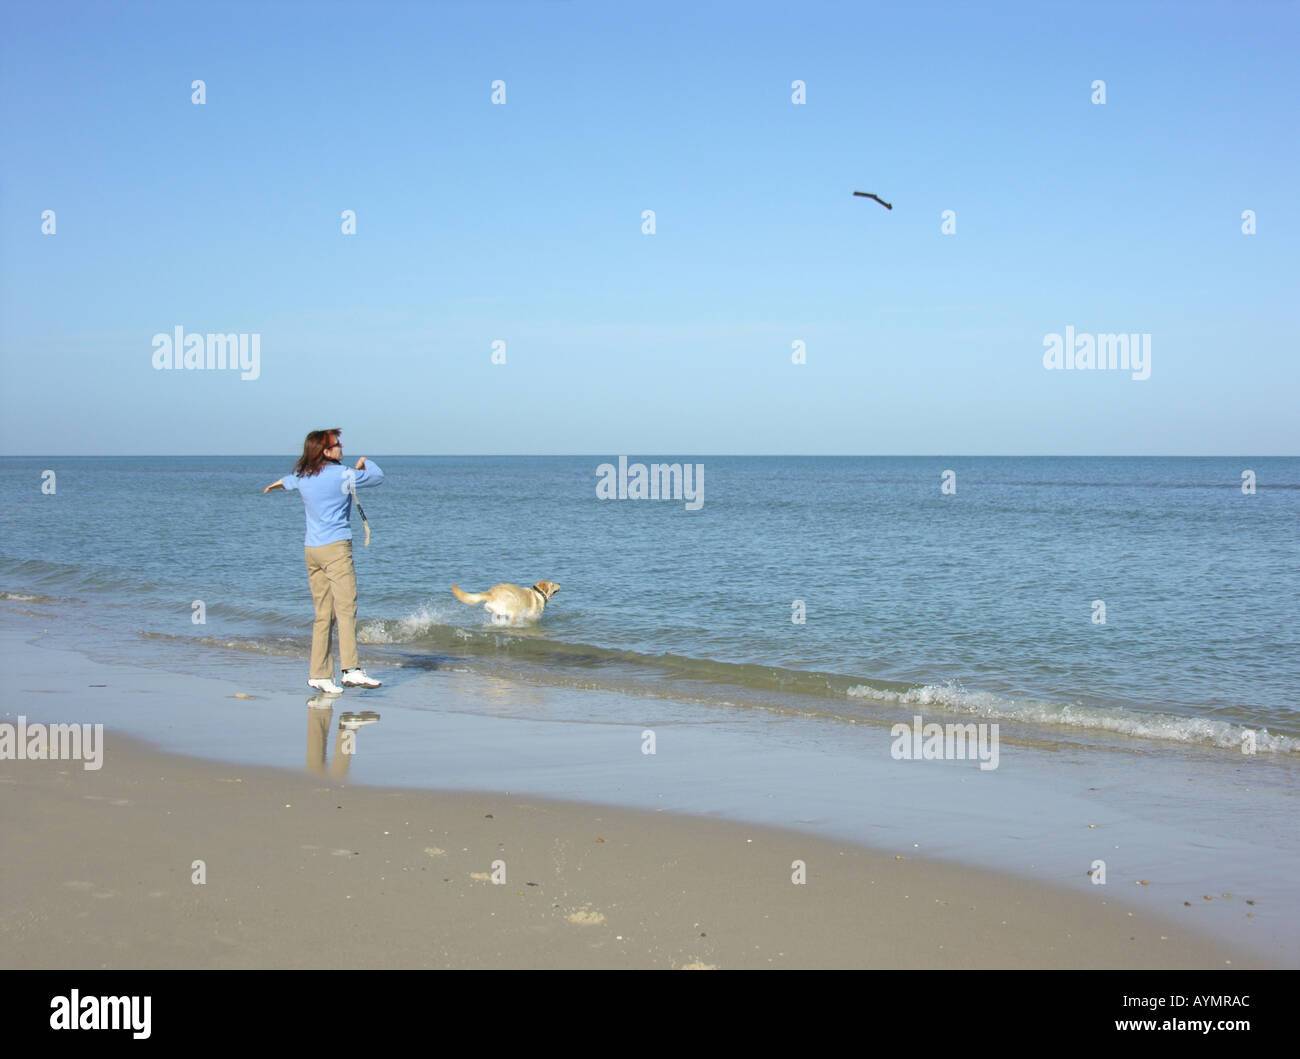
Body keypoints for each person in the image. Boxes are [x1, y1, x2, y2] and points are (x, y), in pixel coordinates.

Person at [264, 428, 384, 694]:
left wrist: (275, 485)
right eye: (337, 444)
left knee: (323, 614)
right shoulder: (344, 474)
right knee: (346, 608)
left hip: (312, 551)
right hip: (336, 550)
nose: (342, 447)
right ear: (327, 452)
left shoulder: (304, 475)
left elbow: (288, 480)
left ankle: (319, 674)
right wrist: (366, 462)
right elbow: (377, 478)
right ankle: (350, 670)